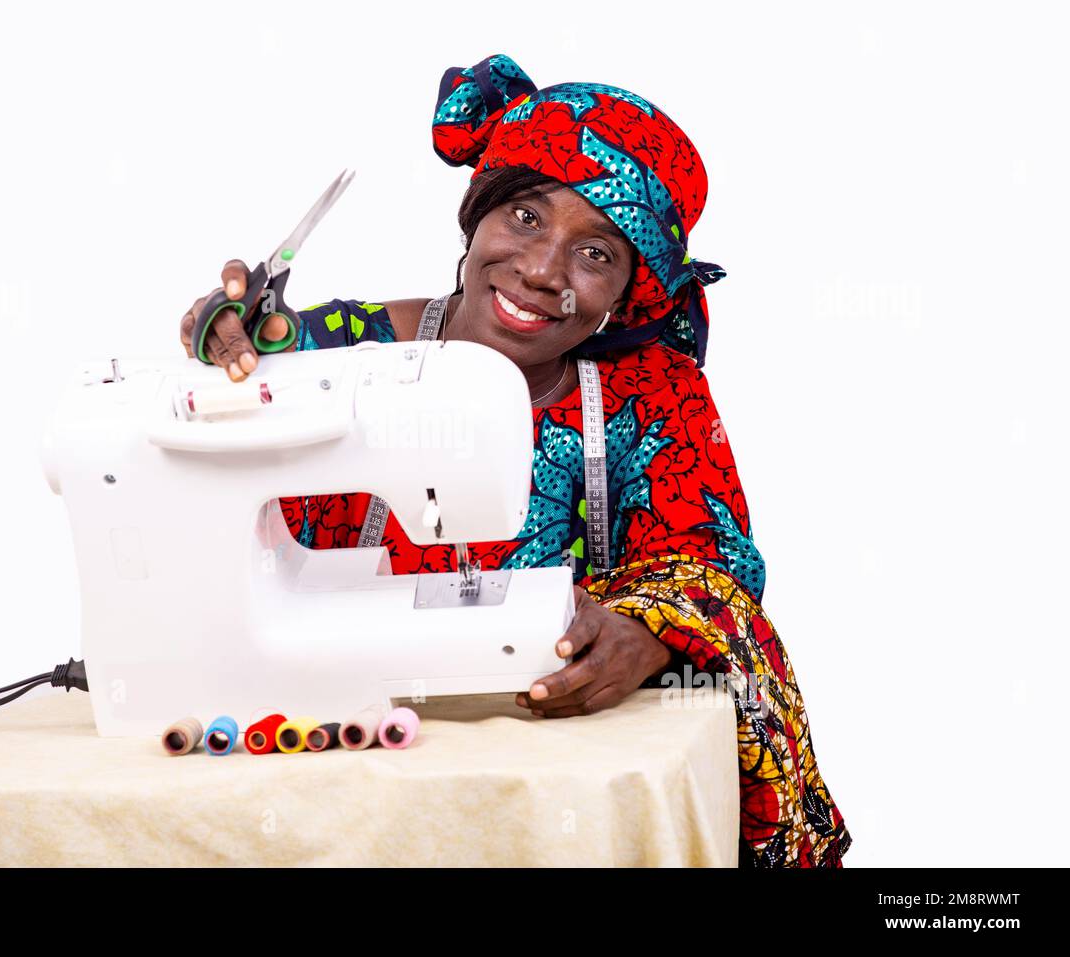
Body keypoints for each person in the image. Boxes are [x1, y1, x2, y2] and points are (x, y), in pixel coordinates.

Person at [179, 53, 851, 868]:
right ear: (477, 216)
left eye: (596, 253)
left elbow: (714, 565)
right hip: (341, 772)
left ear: (627, 291)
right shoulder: (342, 349)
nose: (541, 271)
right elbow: (222, 464)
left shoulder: (655, 394)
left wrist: (649, 632)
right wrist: (229, 353)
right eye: (526, 216)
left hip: (568, 781)